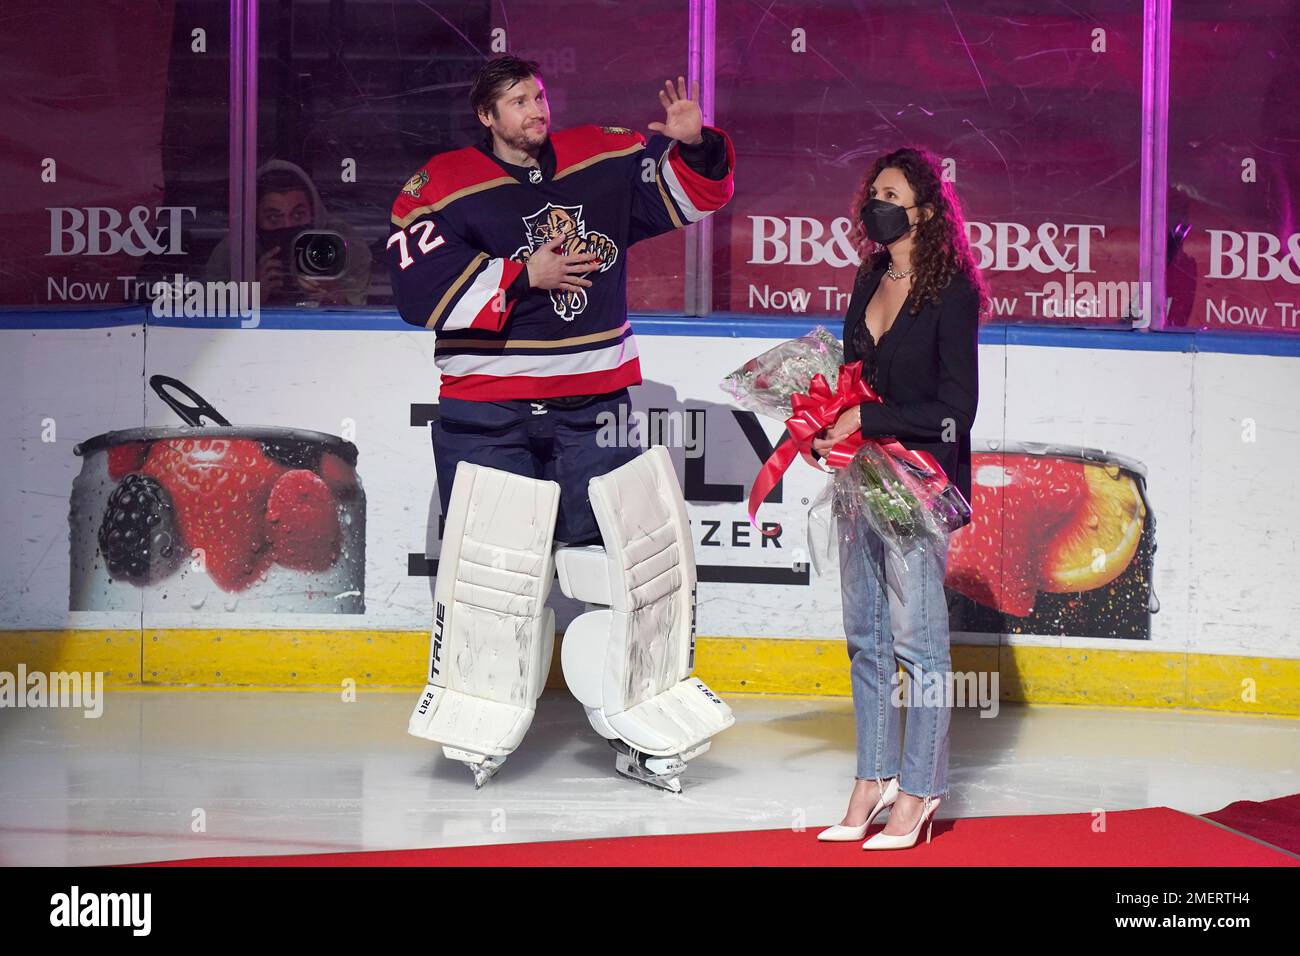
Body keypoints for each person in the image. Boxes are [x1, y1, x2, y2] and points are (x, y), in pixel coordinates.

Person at [387, 55, 735, 545]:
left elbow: (692, 197)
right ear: (486, 117)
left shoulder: (600, 158)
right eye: (518, 102)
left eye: (539, 97)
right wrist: (524, 276)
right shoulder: (442, 186)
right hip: (488, 413)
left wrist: (695, 145)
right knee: (496, 566)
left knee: (605, 556)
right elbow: (418, 288)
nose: (536, 110)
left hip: (591, 408)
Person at [811, 146, 987, 850]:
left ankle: (920, 788)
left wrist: (871, 421)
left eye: (888, 193)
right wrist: (829, 423)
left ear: (923, 208)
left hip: (918, 484)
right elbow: (856, 377)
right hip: (863, 480)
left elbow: (955, 410)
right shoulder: (869, 275)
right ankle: (872, 777)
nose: (872, 203)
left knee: (919, 644)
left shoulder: (953, 291)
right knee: (867, 637)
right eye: (871, 192)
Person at [207, 159, 373, 306]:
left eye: (298, 215)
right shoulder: (232, 254)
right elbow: (208, 323)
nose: (288, 225)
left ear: (313, 214)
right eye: (273, 218)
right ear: (255, 221)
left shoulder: (344, 245)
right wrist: (249, 299)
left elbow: (359, 323)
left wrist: (334, 296)